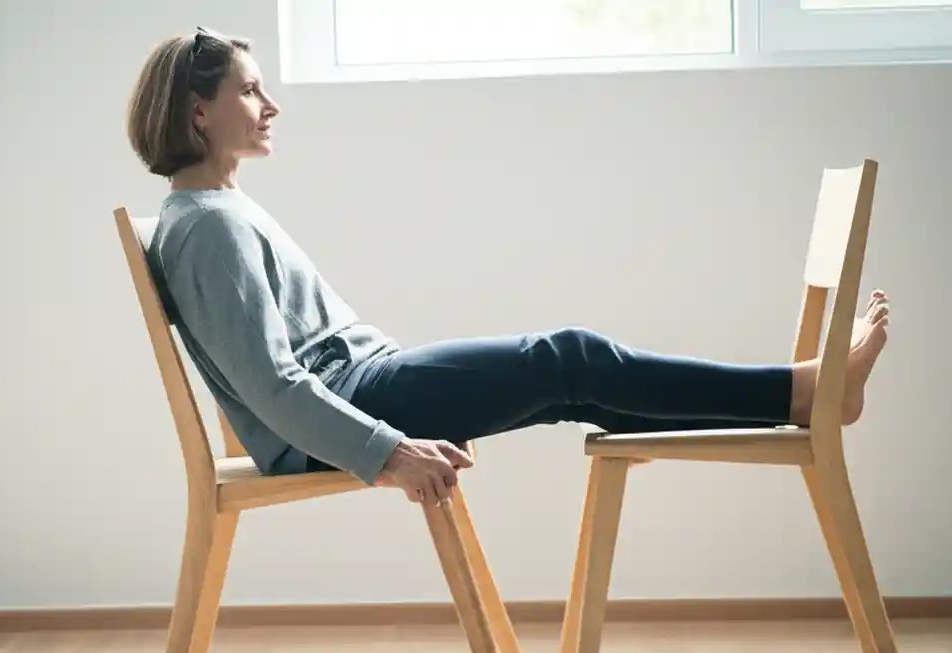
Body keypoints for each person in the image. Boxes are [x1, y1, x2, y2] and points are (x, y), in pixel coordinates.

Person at [124, 28, 891, 508]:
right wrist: (386, 452)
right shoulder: (208, 231)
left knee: (576, 379)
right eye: (249, 90)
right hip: (353, 407)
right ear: (199, 112)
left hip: (364, 385)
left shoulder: (217, 213)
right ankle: (802, 392)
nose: (270, 104)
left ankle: (797, 397)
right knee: (571, 357)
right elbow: (272, 385)